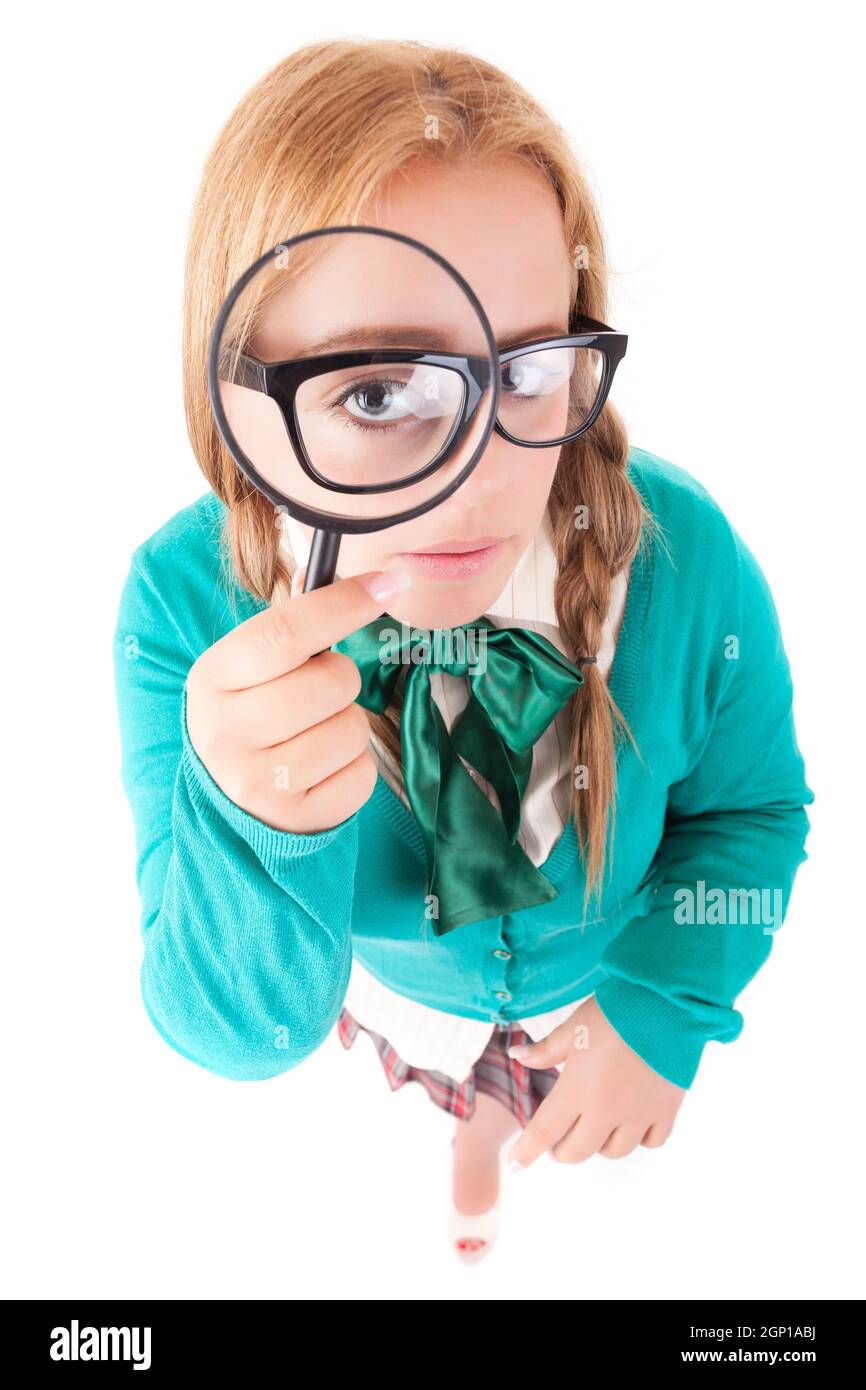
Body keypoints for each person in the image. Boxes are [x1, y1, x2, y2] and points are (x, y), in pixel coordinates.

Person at [112, 38, 814, 1265]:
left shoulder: (680, 557)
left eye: (531, 365)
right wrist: (245, 817)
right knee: (450, 1138)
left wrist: (658, 1007)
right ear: (233, 398)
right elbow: (239, 1035)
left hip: (602, 982)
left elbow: (754, 818)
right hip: (399, 1002)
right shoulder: (182, 606)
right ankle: (471, 1145)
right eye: (380, 392)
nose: (483, 481)